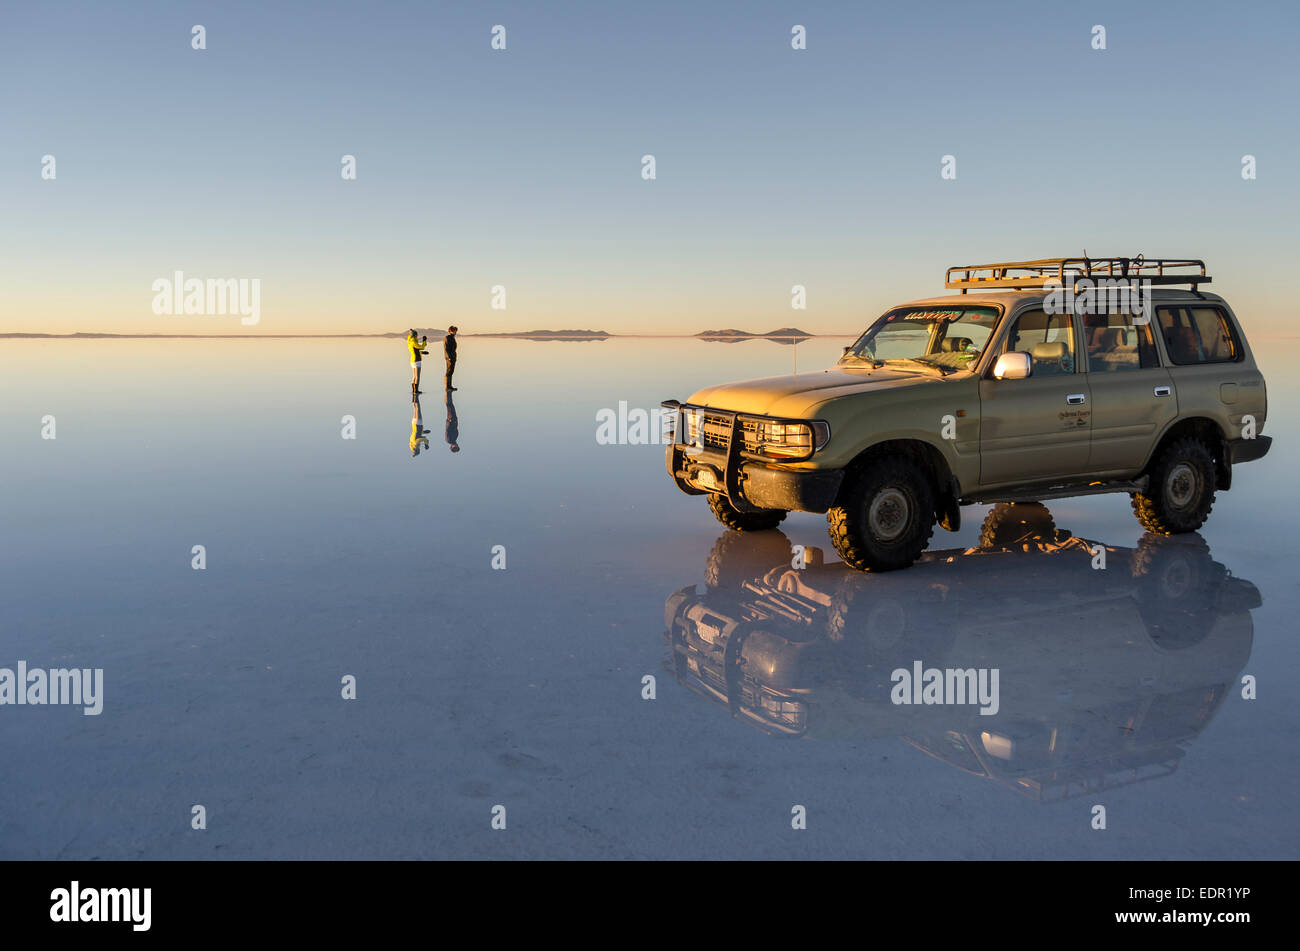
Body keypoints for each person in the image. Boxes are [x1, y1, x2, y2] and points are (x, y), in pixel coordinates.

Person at [407, 329, 429, 395]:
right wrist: (424, 341)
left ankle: (413, 390)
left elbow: (415, 351)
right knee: (417, 376)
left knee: (414, 376)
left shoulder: (410, 342)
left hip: (412, 361)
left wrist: (422, 353)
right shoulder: (414, 342)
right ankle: (416, 391)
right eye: (417, 335)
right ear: (415, 335)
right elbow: (422, 347)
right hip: (417, 360)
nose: (417, 336)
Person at [444, 325, 458, 391]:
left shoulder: (452, 338)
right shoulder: (447, 337)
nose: (455, 332)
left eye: (455, 331)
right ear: (450, 331)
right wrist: (448, 357)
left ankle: (450, 386)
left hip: (453, 356)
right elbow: (446, 348)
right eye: (454, 331)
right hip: (449, 357)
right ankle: (447, 387)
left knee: (451, 371)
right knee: (449, 371)